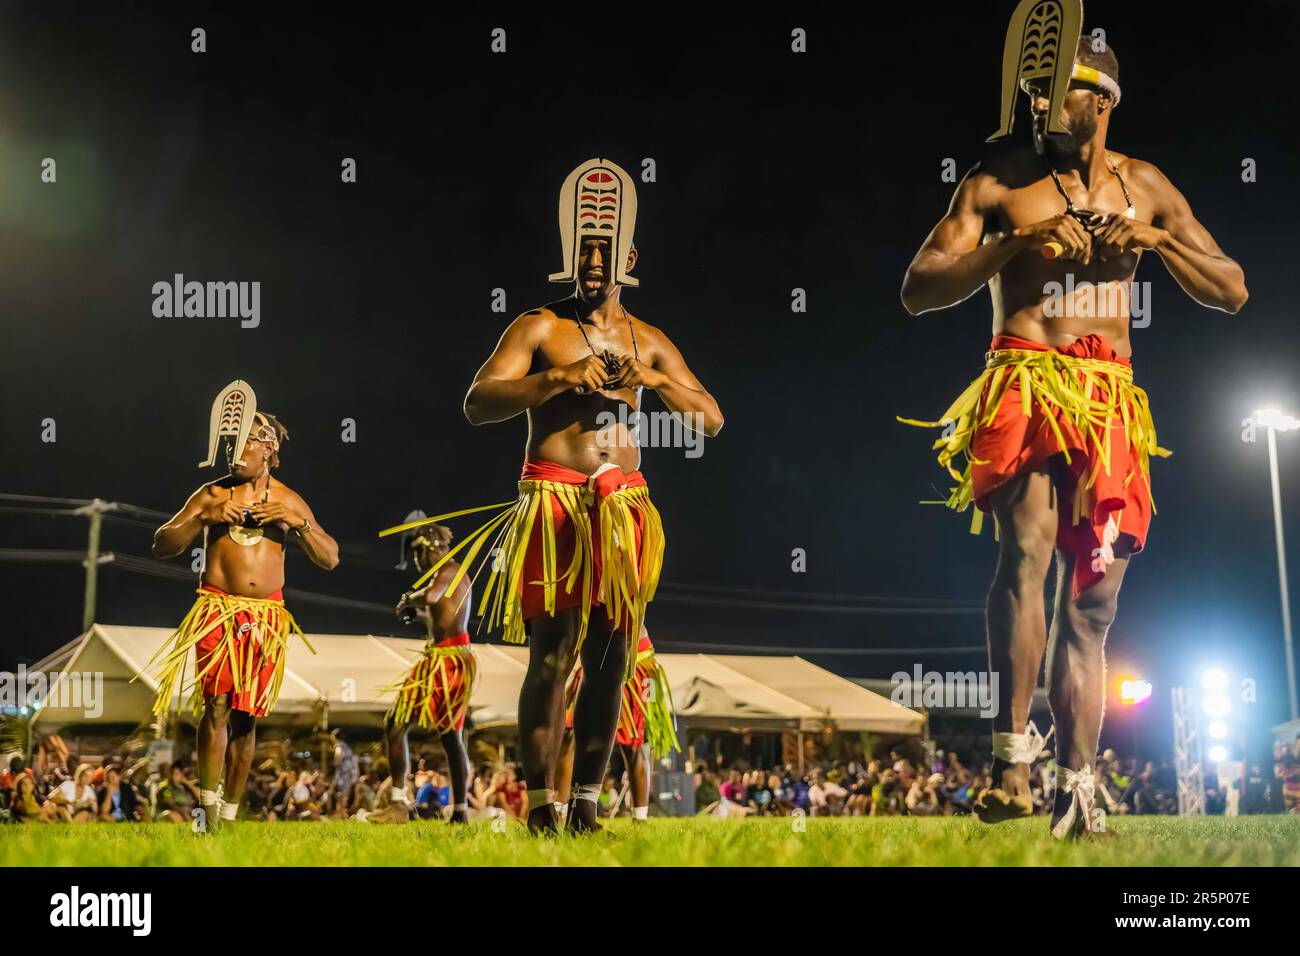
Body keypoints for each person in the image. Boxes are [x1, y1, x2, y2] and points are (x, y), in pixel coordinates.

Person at [899, 4, 1246, 838]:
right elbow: (921, 287)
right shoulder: (995, 181)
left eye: (1061, 95)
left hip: (1111, 395)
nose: (1044, 108)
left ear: (1104, 98)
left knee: (1091, 604)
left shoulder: (1147, 185)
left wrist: (1156, 242)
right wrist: (1023, 242)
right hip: (1024, 375)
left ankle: (1077, 787)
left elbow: (1232, 288)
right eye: (1035, 93)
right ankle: (1010, 760)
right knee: (1024, 555)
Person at [386, 159, 722, 835]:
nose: (593, 260)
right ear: (571, 253)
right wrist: (560, 377)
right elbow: (478, 402)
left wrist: (651, 381)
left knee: (612, 658)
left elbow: (711, 418)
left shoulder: (649, 340)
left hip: (623, 506)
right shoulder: (539, 327)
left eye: (605, 249)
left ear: (628, 255)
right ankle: (544, 805)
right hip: (555, 501)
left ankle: (589, 806)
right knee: (554, 653)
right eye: (583, 248)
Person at [141, 380, 339, 831]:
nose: (237, 448)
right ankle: (206, 810)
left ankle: (230, 814)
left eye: (247, 440)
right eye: (233, 439)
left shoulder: (288, 500)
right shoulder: (212, 494)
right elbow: (162, 544)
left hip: (266, 616)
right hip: (218, 609)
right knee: (216, 706)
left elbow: (330, 557)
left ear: (268, 449)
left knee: (247, 718)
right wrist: (202, 519)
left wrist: (299, 524)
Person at [371, 523, 476, 825]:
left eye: (417, 554)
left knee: (405, 725)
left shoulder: (450, 569)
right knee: (447, 737)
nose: (417, 562)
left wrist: (408, 598)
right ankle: (456, 811)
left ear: (428, 547)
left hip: (449, 661)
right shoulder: (445, 574)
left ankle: (403, 804)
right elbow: (438, 613)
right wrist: (416, 613)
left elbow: (431, 597)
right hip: (441, 657)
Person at [555, 628, 679, 821]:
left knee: (634, 744)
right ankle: (558, 810)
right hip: (596, 659)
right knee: (570, 734)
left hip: (635, 662)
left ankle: (640, 817)